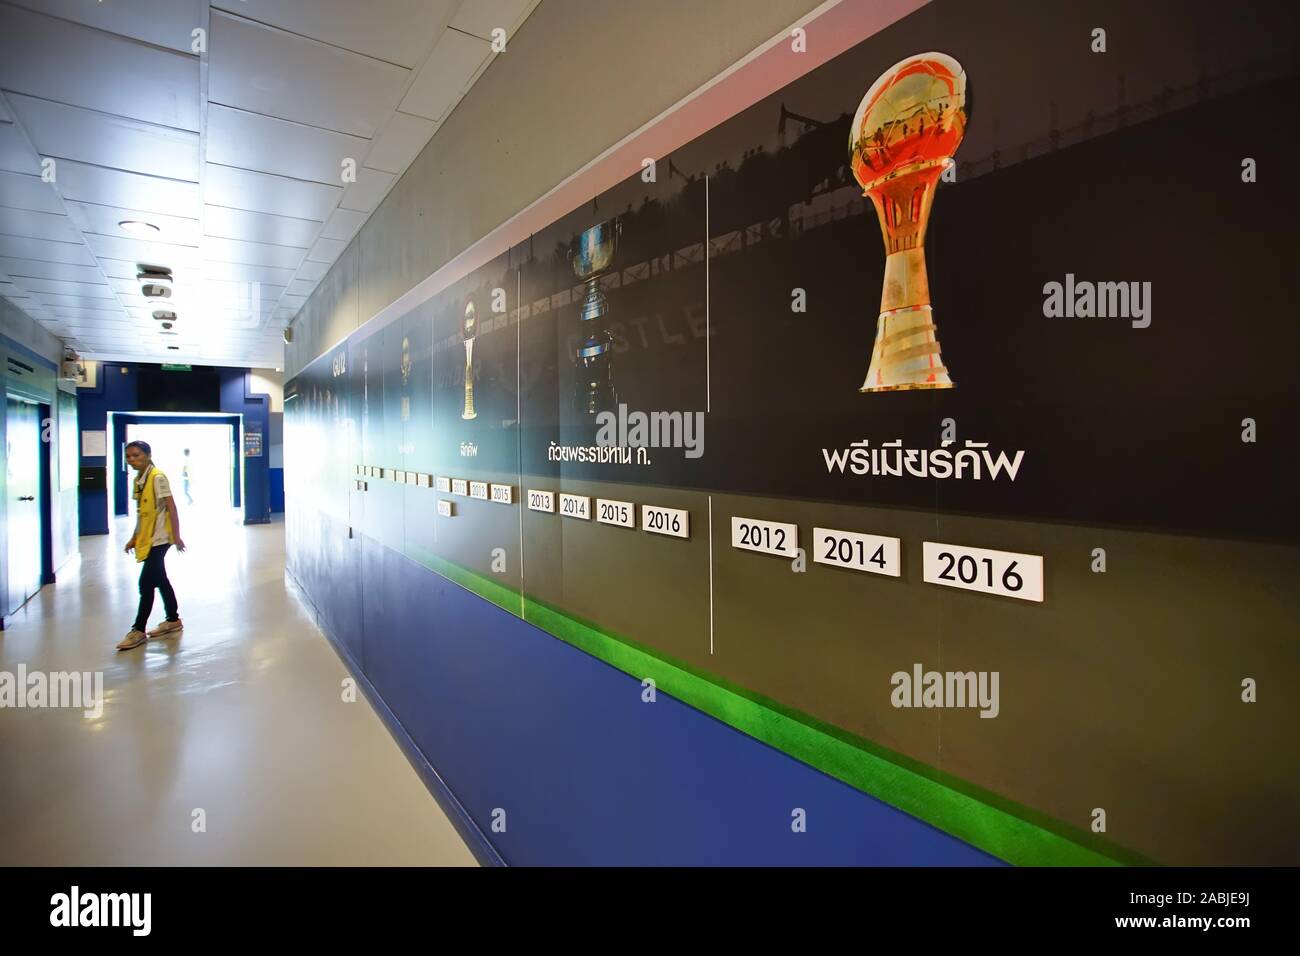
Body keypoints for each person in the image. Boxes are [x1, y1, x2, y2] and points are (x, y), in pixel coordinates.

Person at [117, 441, 186, 651]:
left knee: (145, 583)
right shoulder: (139, 480)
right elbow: (142, 513)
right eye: (128, 456)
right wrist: (134, 538)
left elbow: (171, 507)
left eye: (136, 455)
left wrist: (177, 536)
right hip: (148, 539)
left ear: (147, 455)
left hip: (161, 539)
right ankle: (173, 620)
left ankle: (138, 630)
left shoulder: (157, 477)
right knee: (160, 579)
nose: (132, 460)